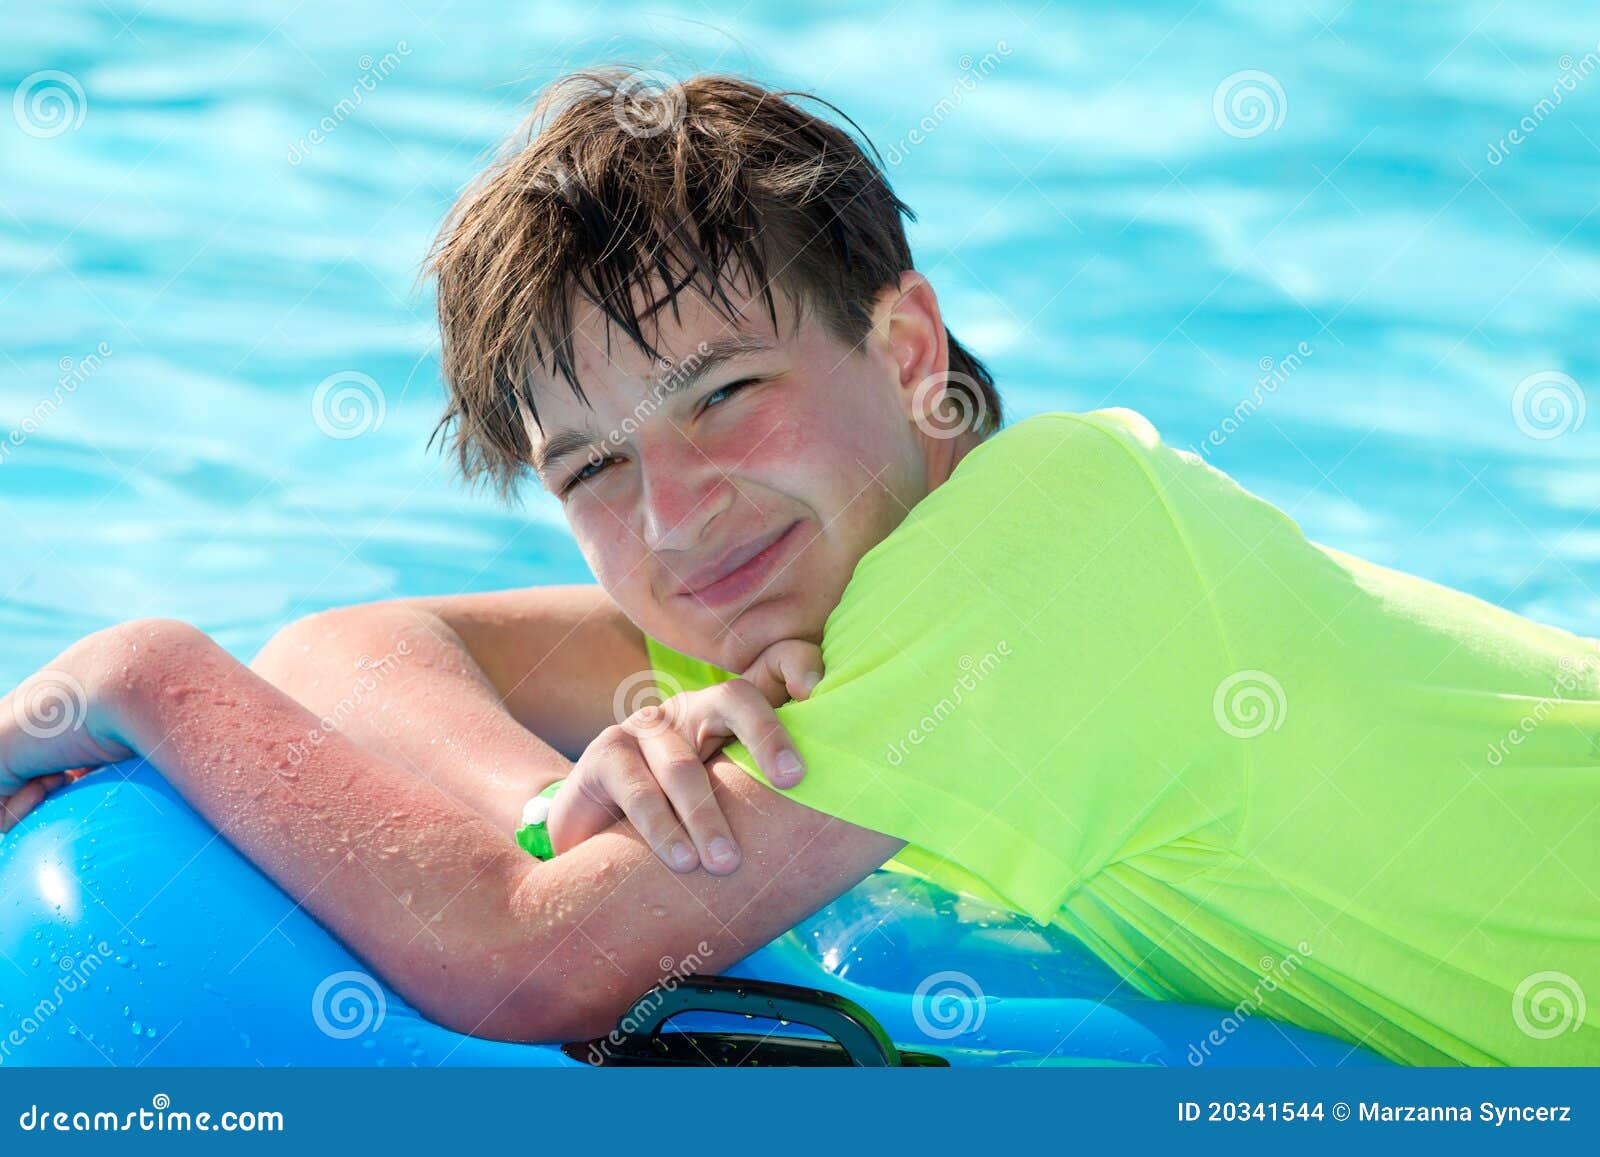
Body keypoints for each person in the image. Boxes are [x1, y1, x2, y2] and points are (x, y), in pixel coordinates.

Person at [2, 69, 1597, 1067]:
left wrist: (141, 672)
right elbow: (362, 642)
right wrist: (573, 814)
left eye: (723, 394)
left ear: (906, 347)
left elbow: (526, 962)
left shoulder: (1051, 542)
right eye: (594, 468)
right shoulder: (814, 594)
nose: (680, 513)